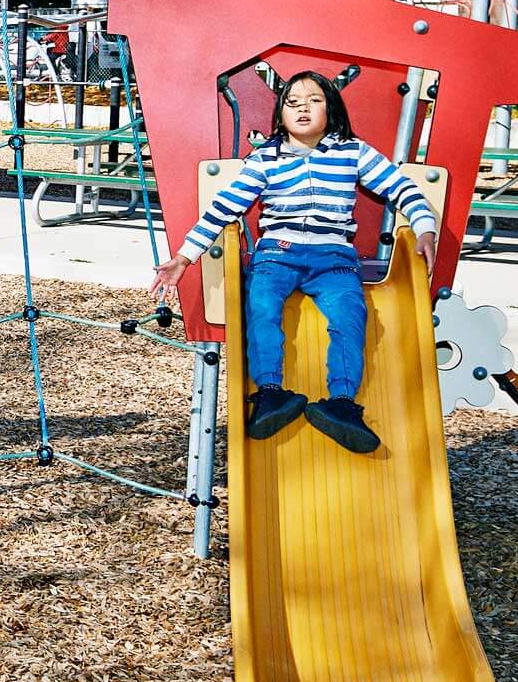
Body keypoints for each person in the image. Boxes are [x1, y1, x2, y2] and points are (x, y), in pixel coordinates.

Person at [151, 71, 439, 455]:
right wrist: (185, 256)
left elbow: (402, 187)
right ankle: (271, 393)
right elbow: (223, 207)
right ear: (280, 114)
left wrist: (424, 229)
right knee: (261, 304)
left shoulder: (352, 152)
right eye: (293, 101)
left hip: (333, 257)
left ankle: (341, 404)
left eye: (314, 99)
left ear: (331, 108)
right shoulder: (265, 158)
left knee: (350, 315)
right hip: (278, 254)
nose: (303, 107)